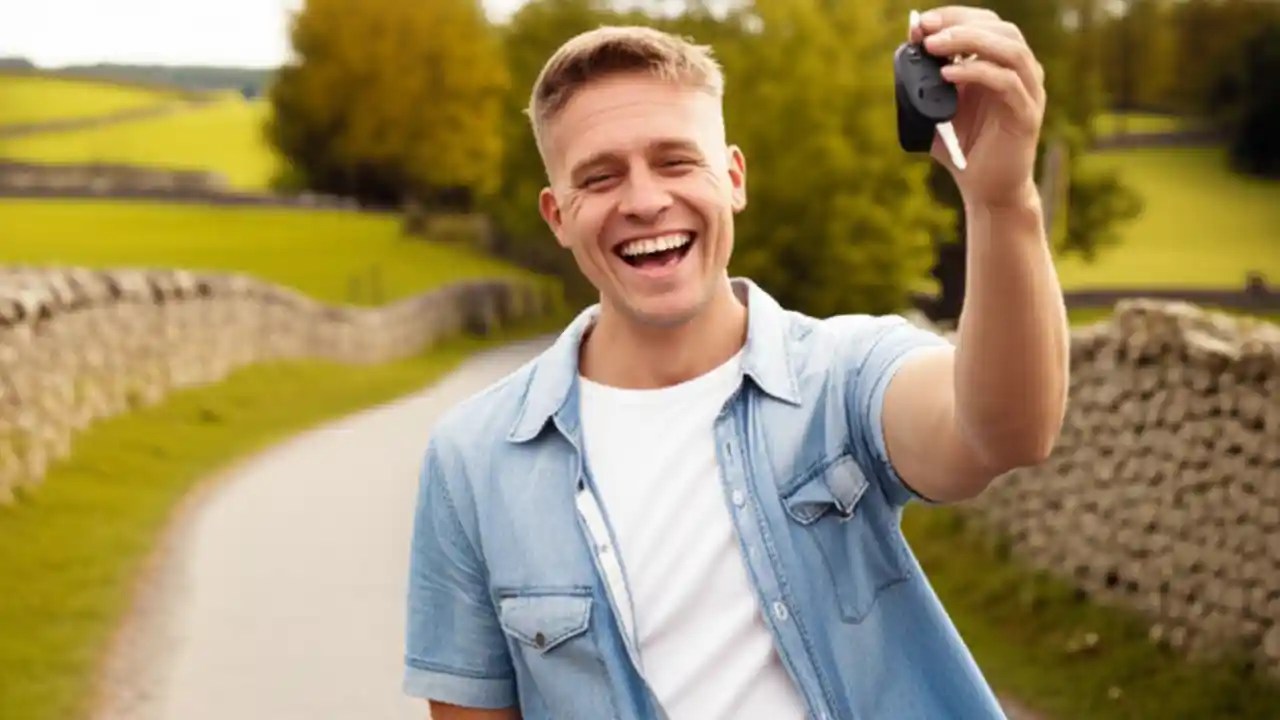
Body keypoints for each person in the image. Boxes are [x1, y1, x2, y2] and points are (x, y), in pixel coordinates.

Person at [403, 6, 1068, 719]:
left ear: (734, 178)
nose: (645, 200)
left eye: (675, 160)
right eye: (598, 178)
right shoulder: (472, 460)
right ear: (557, 216)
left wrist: (1003, 200)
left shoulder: (842, 376)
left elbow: (1003, 434)